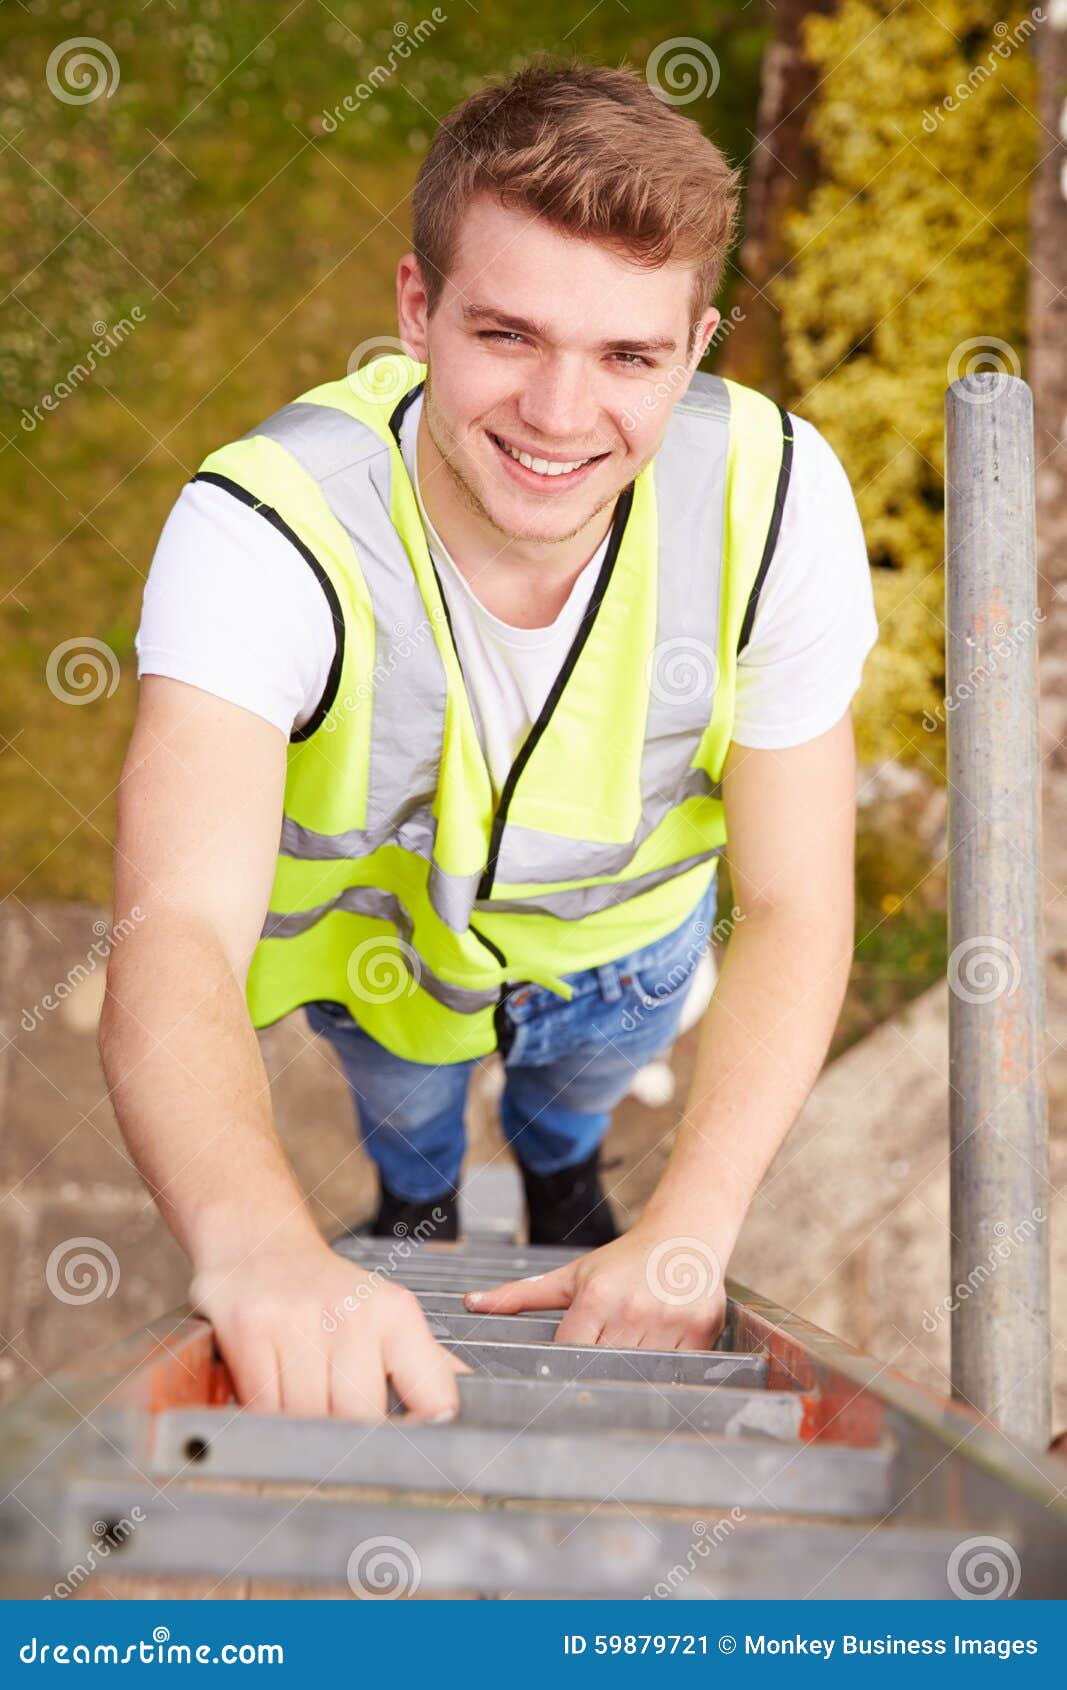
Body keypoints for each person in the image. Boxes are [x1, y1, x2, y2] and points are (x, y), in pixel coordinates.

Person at [99, 60, 878, 1424]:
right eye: (509, 335)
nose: (561, 417)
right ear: (417, 310)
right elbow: (171, 931)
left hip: (623, 957)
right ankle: (418, 1197)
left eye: (629, 356)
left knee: (566, 1115)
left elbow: (803, 900)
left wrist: (692, 1225)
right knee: (407, 1120)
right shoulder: (261, 527)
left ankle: (567, 1174)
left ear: (694, 351)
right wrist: (263, 1246)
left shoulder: (777, 497)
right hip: (386, 975)